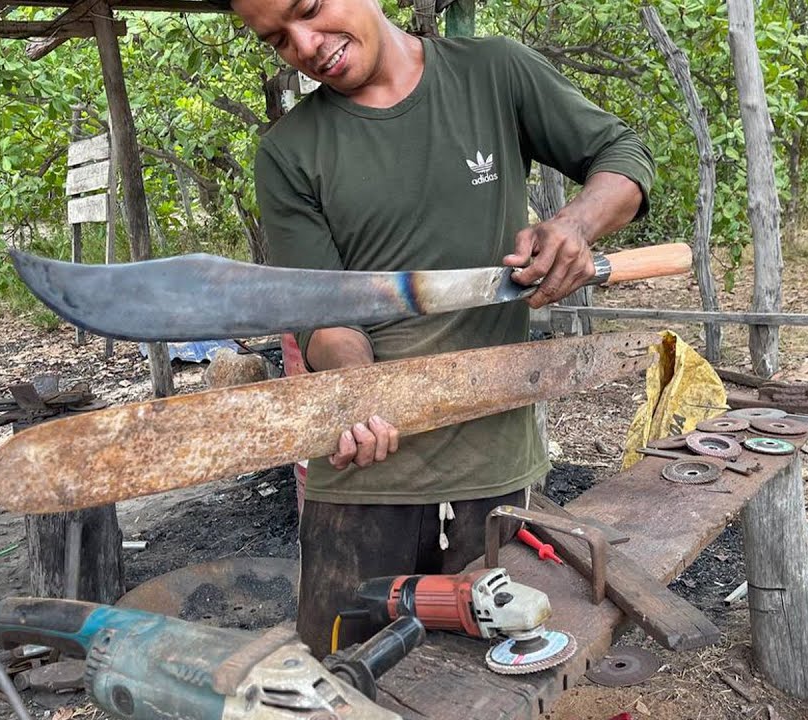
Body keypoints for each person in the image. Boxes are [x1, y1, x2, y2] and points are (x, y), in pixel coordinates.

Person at [226, 0, 656, 657]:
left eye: (308, 9)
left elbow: (623, 158)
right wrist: (355, 388)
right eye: (278, 39)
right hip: (363, 488)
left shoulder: (494, 73)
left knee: (490, 679)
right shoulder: (289, 153)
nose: (306, 45)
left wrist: (574, 226)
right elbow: (325, 318)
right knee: (346, 678)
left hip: (495, 472)